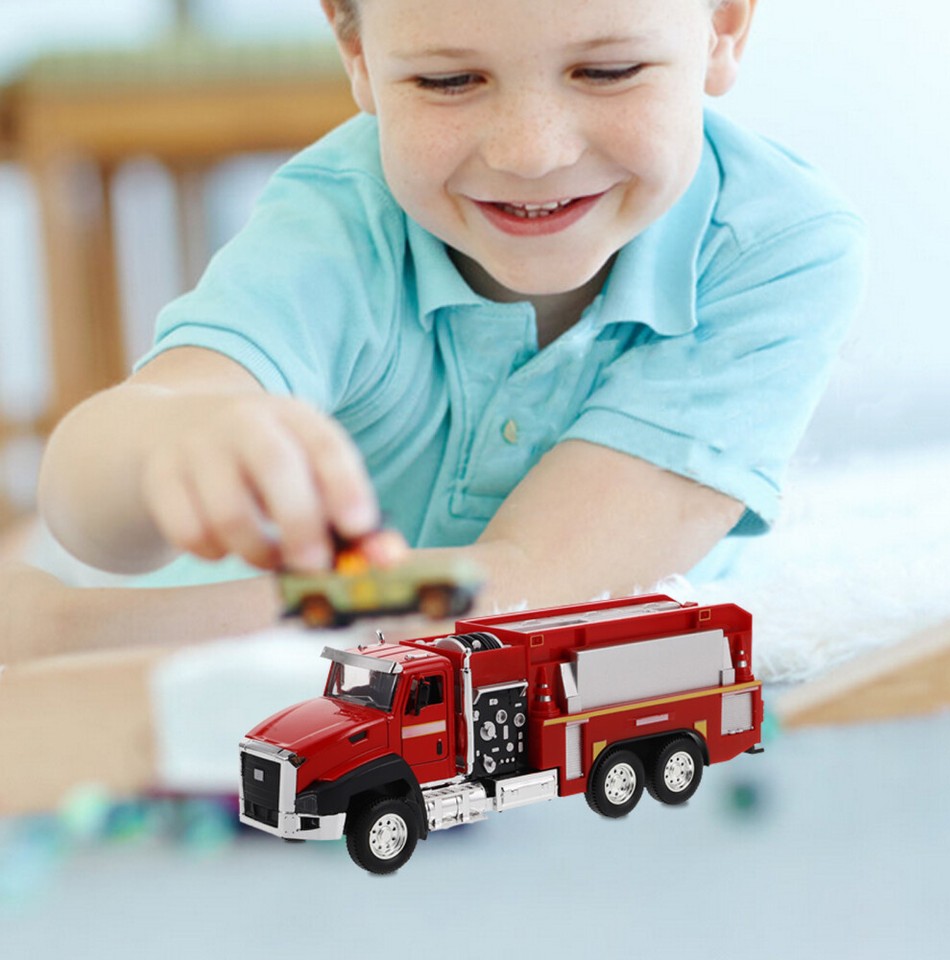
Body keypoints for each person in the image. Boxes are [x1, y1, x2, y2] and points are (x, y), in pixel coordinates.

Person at [1, 0, 866, 664]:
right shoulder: (335, 224)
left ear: (723, 26)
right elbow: (93, 497)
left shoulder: (777, 246)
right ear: (356, 51)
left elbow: (537, 592)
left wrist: (80, 632)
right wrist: (167, 443)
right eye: (450, 82)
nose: (532, 152)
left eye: (608, 70)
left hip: (207, 633)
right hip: (243, 652)